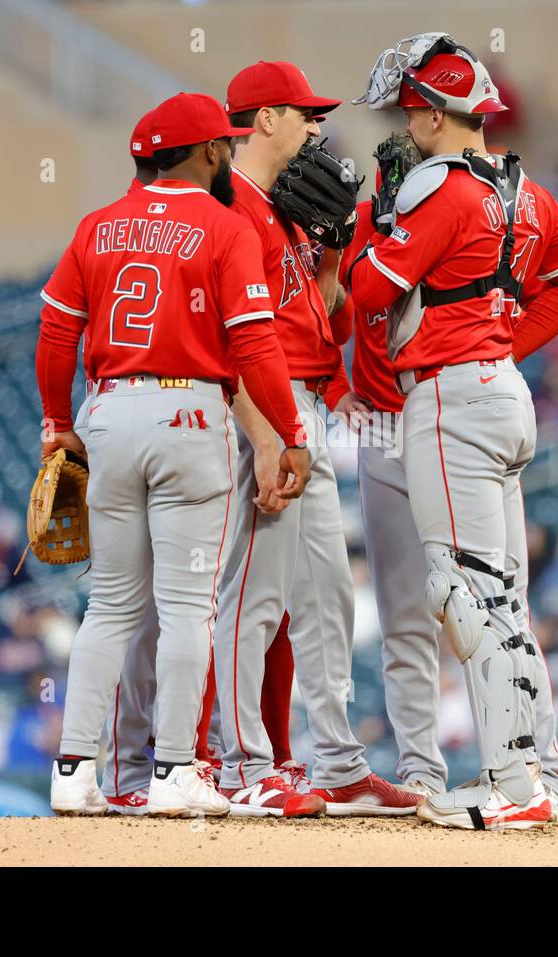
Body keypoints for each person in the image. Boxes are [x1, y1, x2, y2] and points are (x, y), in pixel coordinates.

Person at [38, 91, 314, 819]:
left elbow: (55, 333)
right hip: (189, 411)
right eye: (220, 144)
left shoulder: (96, 226)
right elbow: (255, 343)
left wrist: (56, 422)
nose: (226, 151)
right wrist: (287, 432)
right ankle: (173, 772)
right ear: (209, 152)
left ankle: (73, 771)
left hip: (108, 409)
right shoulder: (224, 227)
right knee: (188, 606)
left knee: (110, 605)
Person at [349, 33, 558, 828]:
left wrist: (371, 225)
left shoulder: (440, 189)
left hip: (451, 402)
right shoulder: (522, 190)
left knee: (465, 593)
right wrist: (502, 345)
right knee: (506, 596)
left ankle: (509, 787)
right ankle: (540, 775)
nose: (404, 120)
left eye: (410, 106)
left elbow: (364, 293)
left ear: (430, 114)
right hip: (501, 393)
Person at [211, 61, 419, 817]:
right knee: (255, 591)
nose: (315, 127)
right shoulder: (227, 205)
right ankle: (242, 766)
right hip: (259, 411)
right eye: (302, 114)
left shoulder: (292, 209)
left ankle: (337, 763)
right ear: (264, 119)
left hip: (305, 407)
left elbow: (318, 319)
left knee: (330, 593)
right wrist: (266, 434)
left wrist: (331, 251)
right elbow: (233, 340)